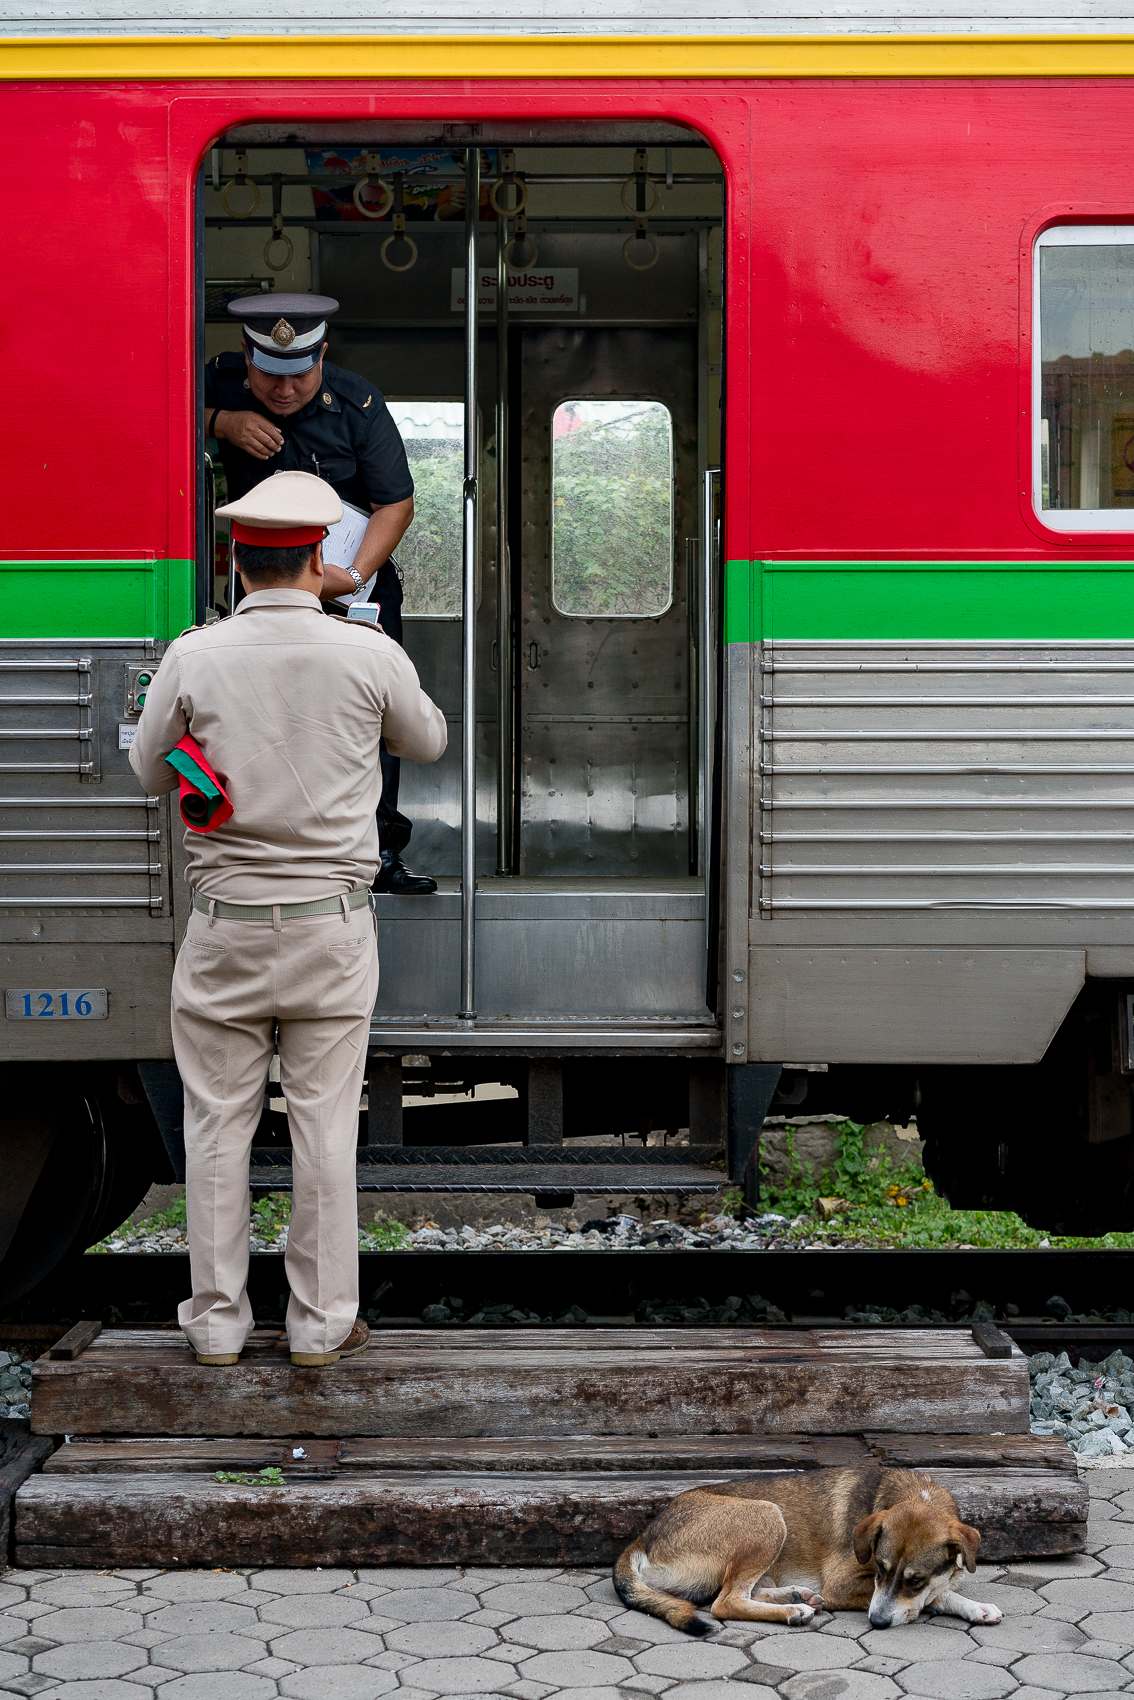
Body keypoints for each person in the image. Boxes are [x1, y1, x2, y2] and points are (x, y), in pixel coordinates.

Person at [129, 471, 447, 1367]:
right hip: (331, 929)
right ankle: (317, 1327)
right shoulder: (367, 652)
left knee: (219, 1127)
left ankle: (219, 1325)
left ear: (236, 560)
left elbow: (151, 773)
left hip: (226, 926)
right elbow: (427, 742)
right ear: (322, 559)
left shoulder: (195, 655)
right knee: (323, 1130)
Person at [205, 290, 437, 895]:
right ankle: (263, 842)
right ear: (246, 360)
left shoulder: (357, 403)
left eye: (300, 375)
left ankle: (380, 851)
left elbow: (397, 503)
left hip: (352, 580)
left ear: (322, 357)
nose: (284, 391)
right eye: (269, 375)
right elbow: (145, 417)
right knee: (262, 707)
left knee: (371, 712)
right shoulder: (217, 386)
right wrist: (218, 422)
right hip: (261, 586)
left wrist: (351, 577)